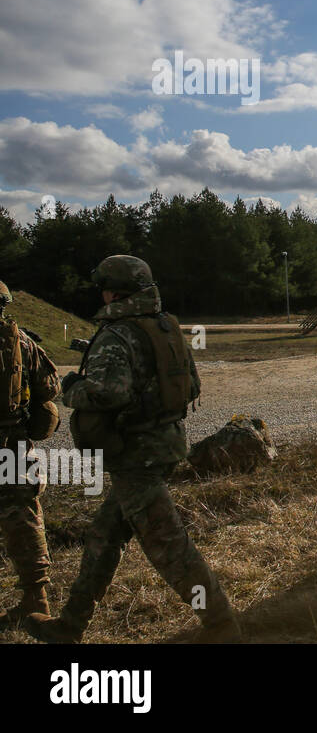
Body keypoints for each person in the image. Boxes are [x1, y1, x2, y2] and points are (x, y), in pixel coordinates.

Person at [24, 255, 240, 643]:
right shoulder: (165, 326)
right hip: (163, 447)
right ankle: (70, 626)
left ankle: (221, 625)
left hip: (134, 456)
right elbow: (191, 386)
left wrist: (72, 388)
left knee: (169, 547)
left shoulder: (117, 334)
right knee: (104, 537)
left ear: (113, 290)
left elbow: (109, 392)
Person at [0, 280, 61, 629]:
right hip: (13, 444)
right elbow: (50, 387)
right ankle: (36, 599)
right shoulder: (21, 341)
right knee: (23, 516)